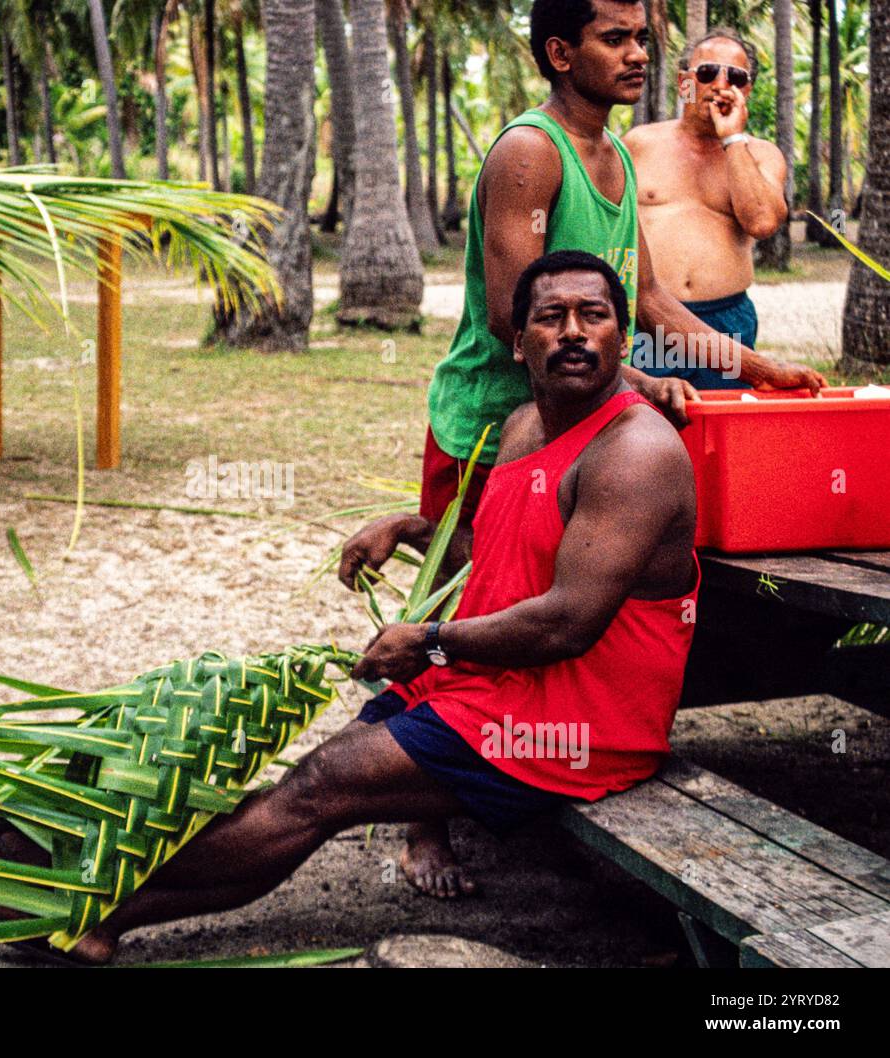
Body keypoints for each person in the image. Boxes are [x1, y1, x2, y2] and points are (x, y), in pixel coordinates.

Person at [0, 252, 701, 965]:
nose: (572, 332)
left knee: (320, 788)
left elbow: (568, 621)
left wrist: (429, 642)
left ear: (624, 336)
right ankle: (96, 915)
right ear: (517, 343)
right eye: (551, 317)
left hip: (579, 722)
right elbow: (514, 560)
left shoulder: (634, 452)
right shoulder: (524, 429)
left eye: (593, 315)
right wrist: (412, 529)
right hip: (496, 682)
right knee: (312, 787)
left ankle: (89, 909)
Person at [339, 0, 824, 900]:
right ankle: (421, 822)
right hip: (494, 419)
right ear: (562, 53)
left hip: (567, 418)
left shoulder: (611, 156)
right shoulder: (531, 152)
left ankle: (492, 765)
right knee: (461, 592)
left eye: (643, 38)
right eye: (616, 39)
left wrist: (758, 367)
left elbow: (650, 306)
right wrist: (632, 385)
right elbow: (503, 312)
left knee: (532, 605)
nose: (639, 53)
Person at [624, 27, 791, 389]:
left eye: (735, 77)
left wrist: (732, 137)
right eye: (707, 73)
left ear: (746, 90)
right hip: (648, 321)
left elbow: (762, 222)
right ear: (684, 82)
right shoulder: (640, 144)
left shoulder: (761, 155)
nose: (720, 83)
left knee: (720, 432)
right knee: (645, 430)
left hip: (725, 318)